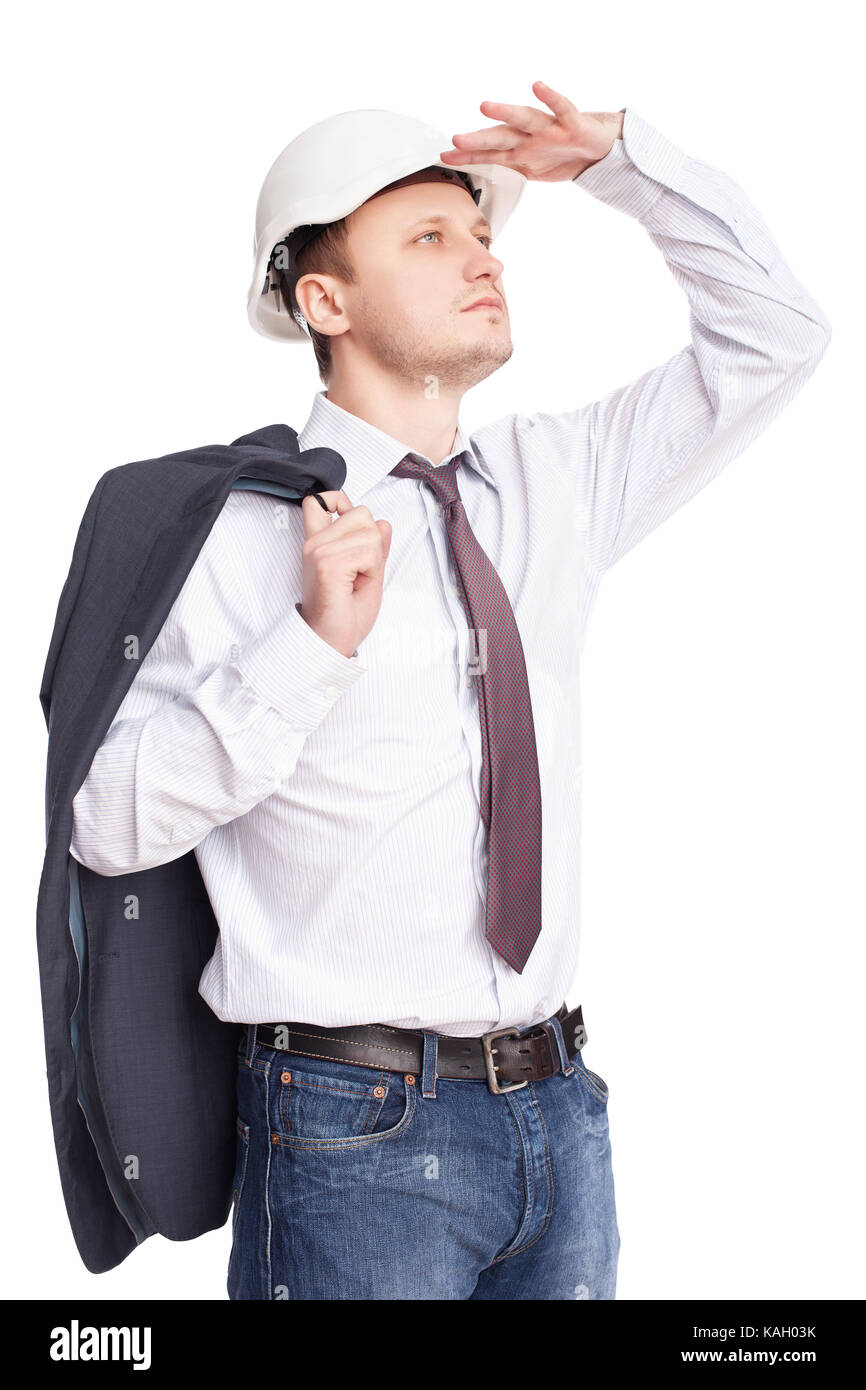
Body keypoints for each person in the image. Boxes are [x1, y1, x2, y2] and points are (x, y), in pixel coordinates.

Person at [69, 82, 831, 1300]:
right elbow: (106, 825)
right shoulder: (223, 531)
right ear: (324, 300)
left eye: (481, 237)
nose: (482, 260)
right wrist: (311, 645)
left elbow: (776, 338)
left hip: (559, 1113)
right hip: (343, 1127)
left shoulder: (555, 481)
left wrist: (626, 164)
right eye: (428, 238)